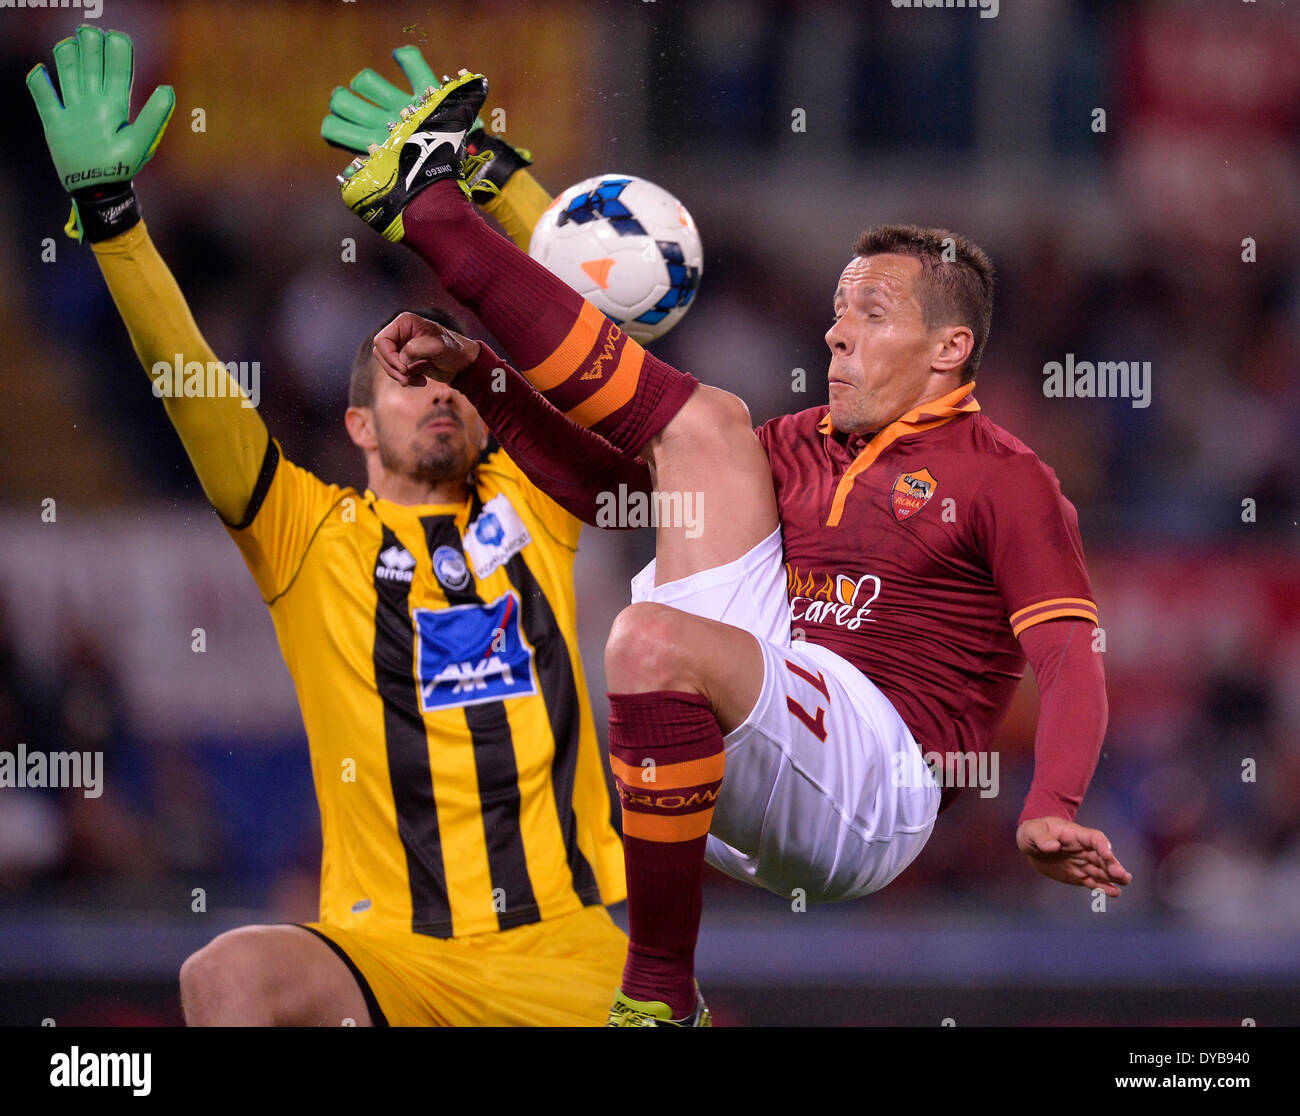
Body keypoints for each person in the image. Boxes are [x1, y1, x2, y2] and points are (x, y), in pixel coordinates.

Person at [326, 66, 1134, 1027]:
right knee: (699, 451)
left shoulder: (1005, 476)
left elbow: (1069, 654)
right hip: (746, 736)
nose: (836, 335)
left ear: (949, 350)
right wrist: (483, 379)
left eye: (871, 315)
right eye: (838, 311)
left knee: (665, 570)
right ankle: (437, 207)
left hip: (877, 786)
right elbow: (620, 496)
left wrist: (1051, 803)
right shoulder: (795, 444)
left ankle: (657, 993)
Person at [27, 27, 644, 1027]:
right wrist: (114, 223)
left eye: (449, 377)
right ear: (357, 425)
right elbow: (193, 387)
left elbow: (601, 351)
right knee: (224, 977)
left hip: (570, 951)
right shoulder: (306, 534)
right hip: (389, 955)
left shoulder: (536, 501)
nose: (434, 392)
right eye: (406, 378)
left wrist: (491, 179)